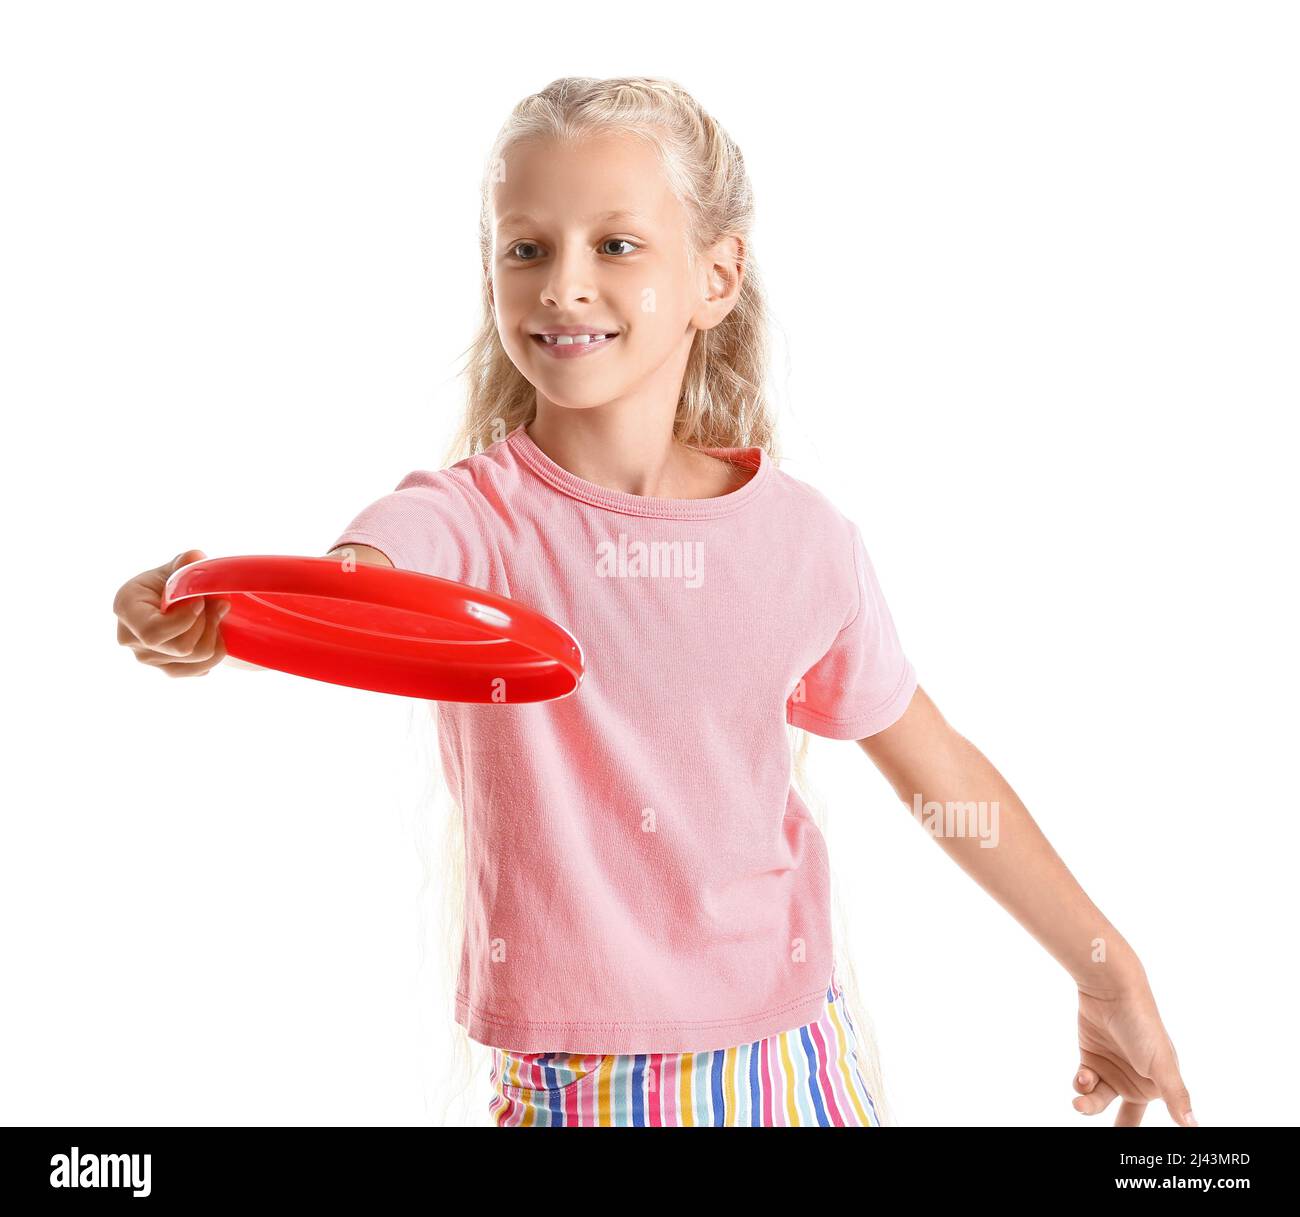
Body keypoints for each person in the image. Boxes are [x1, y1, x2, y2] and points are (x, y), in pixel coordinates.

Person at [113, 75, 1194, 1129]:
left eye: (615, 245)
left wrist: (1109, 970)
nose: (561, 284)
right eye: (524, 248)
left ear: (714, 278)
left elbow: (941, 773)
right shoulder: (469, 521)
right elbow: (362, 586)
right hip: (577, 1085)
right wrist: (216, 616)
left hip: (791, 1061)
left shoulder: (803, 541)